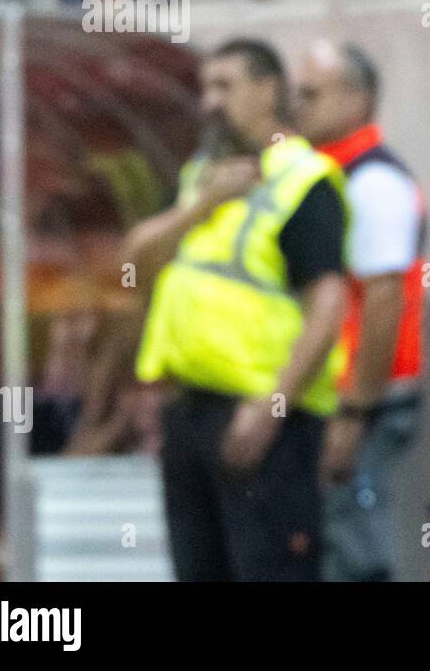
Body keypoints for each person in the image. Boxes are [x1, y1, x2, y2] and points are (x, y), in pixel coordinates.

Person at [128, 38, 348, 581]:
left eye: (225, 86)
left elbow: (329, 302)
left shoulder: (303, 178)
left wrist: (272, 406)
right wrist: (203, 204)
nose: (210, 102)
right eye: (205, 88)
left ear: (268, 88)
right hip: (189, 413)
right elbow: (134, 261)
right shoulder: (201, 177)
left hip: (261, 417)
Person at [294, 41, 429, 582]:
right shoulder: (327, 174)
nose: (298, 105)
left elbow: (383, 300)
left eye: (312, 94)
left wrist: (354, 414)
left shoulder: (374, 181)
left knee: (355, 549)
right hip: (339, 393)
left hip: (365, 397)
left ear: (359, 98)